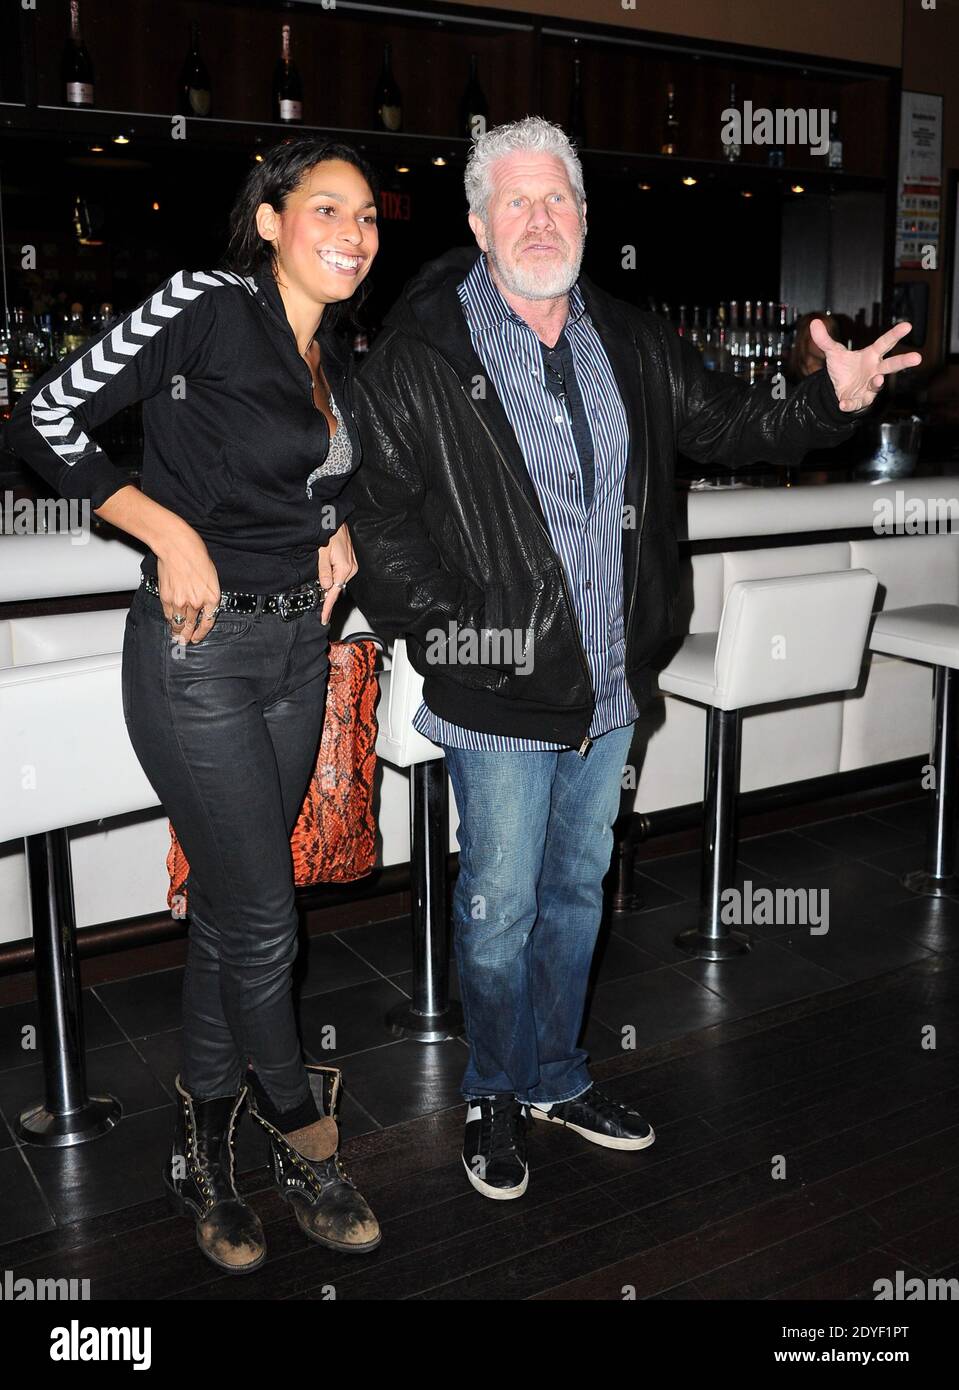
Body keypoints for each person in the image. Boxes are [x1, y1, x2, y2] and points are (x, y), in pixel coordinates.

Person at [341, 115, 921, 1200]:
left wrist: (820, 401)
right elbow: (380, 527)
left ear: (584, 219)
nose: (539, 218)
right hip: (499, 692)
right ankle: (491, 1090)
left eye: (557, 198)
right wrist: (457, 630)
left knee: (573, 895)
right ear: (477, 224)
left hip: (610, 688)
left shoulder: (629, 339)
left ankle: (555, 1076)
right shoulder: (422, 355)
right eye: (515, 201)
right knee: (498, 907)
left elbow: (736, 422)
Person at [6, 137, 383, 1268]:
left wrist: (339, 529)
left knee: (234, 909)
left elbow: (296, 479)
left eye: (366, 217)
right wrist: (165, 529)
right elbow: (45, 414)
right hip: (196, 654)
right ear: (268, 219)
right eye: (326, 210)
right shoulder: (209, 302)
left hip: (294, 656)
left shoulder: (334, 349)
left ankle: (203, 1146)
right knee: (268, 921)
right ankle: (304, 1131)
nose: (353, 235)